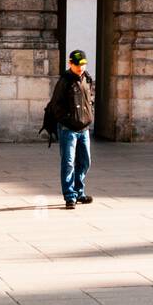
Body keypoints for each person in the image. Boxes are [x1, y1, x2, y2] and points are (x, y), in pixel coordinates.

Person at [49, 49, 95, 209]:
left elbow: (90, 100)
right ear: (70, 64)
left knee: (85, 162)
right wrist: (67, 120)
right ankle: (70, 196)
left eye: (82, 64)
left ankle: (79, 191)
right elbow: (56, 105)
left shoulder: (87, 79)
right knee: (68, 163)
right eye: (77, 65)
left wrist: (89, 116)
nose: (80, 68)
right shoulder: (64, 81)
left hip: (84, 129)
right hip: (68, 129)